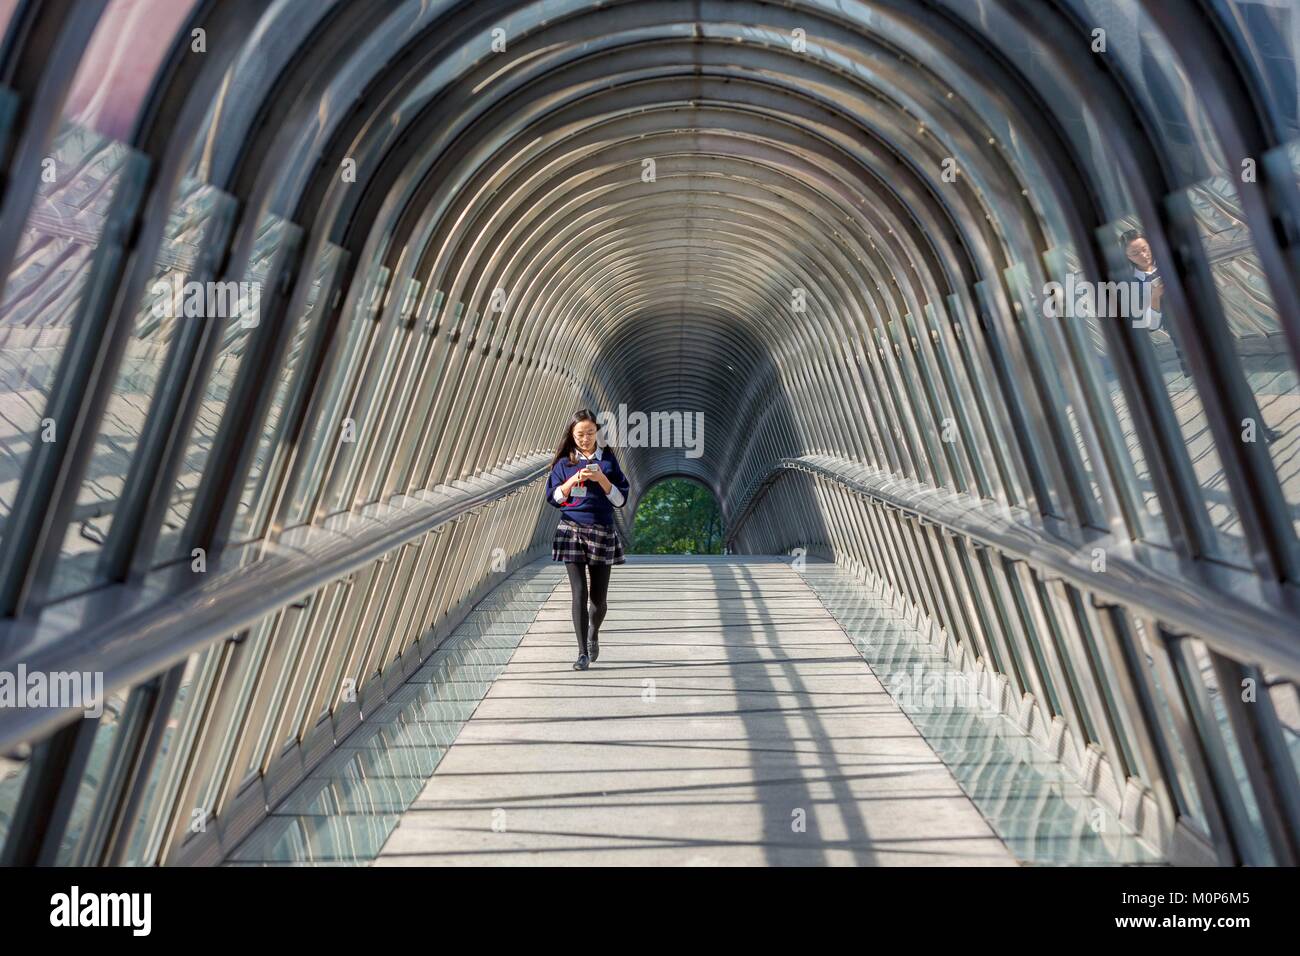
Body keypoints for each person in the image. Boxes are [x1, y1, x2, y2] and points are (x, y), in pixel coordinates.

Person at [545, 408, 630, 670]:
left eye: (590, 433)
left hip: (602, 530)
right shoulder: (563, 464)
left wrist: (602, 479)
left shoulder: (608, 462)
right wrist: (571, 482)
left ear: (597, 433)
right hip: (571, 529)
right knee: (578, 593)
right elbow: (553, 498)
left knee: (598, 600)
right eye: (580, 434)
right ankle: (582, 653)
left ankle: (593, 632)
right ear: (572, 435)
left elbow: (620, 499)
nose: (585, 439)